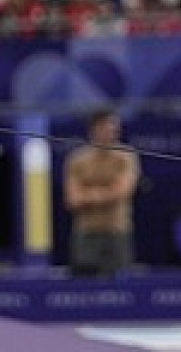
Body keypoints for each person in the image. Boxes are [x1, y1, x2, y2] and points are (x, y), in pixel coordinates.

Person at [63, 108, 141, 277]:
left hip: (117, 232)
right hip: (86, 233)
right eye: (107, 128)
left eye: (115, 129)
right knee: (85, 285)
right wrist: (107, 192)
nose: (112, 132)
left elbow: (123, 192)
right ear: (95, 129)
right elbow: (73, 199)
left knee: (121, 287)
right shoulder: (77, 160)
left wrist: (89, 194)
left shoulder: (126, 157)